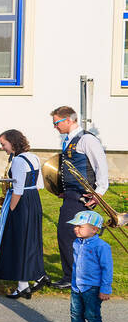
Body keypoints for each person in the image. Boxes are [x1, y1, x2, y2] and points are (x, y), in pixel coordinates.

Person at [51, 106, 108, 291]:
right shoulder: (68, 140)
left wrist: (99, 192)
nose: (55, 127)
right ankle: (77, 276)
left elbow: (101, 166)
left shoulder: (87, 139)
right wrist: (63, 190)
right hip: (71, 195)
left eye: (56, 123)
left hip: (82, 196)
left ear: (69, 120)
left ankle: (73, 277)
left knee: (69, 236)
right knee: (68, 236)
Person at [0, 129, 48, 300]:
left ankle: (26, 284)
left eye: (3, 144)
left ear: (13, 143)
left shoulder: (17, 161)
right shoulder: (34, 157)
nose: (2, 148)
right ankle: (25, 284)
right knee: (28, 242)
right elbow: (39, 185)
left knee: (17, 242)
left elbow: (18, 190)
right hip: (34, 201)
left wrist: (11, 211)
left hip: (20, 203)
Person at [60, 210, 111, 322]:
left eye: (80, 226)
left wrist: (105, 288)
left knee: (92, 315)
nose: (75, 229)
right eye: (75, 226)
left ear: (94, 229)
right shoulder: (77, 242)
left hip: (93, 287)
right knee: (76, 313)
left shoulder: (101, 247)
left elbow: (107, 269)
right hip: (77, 286)